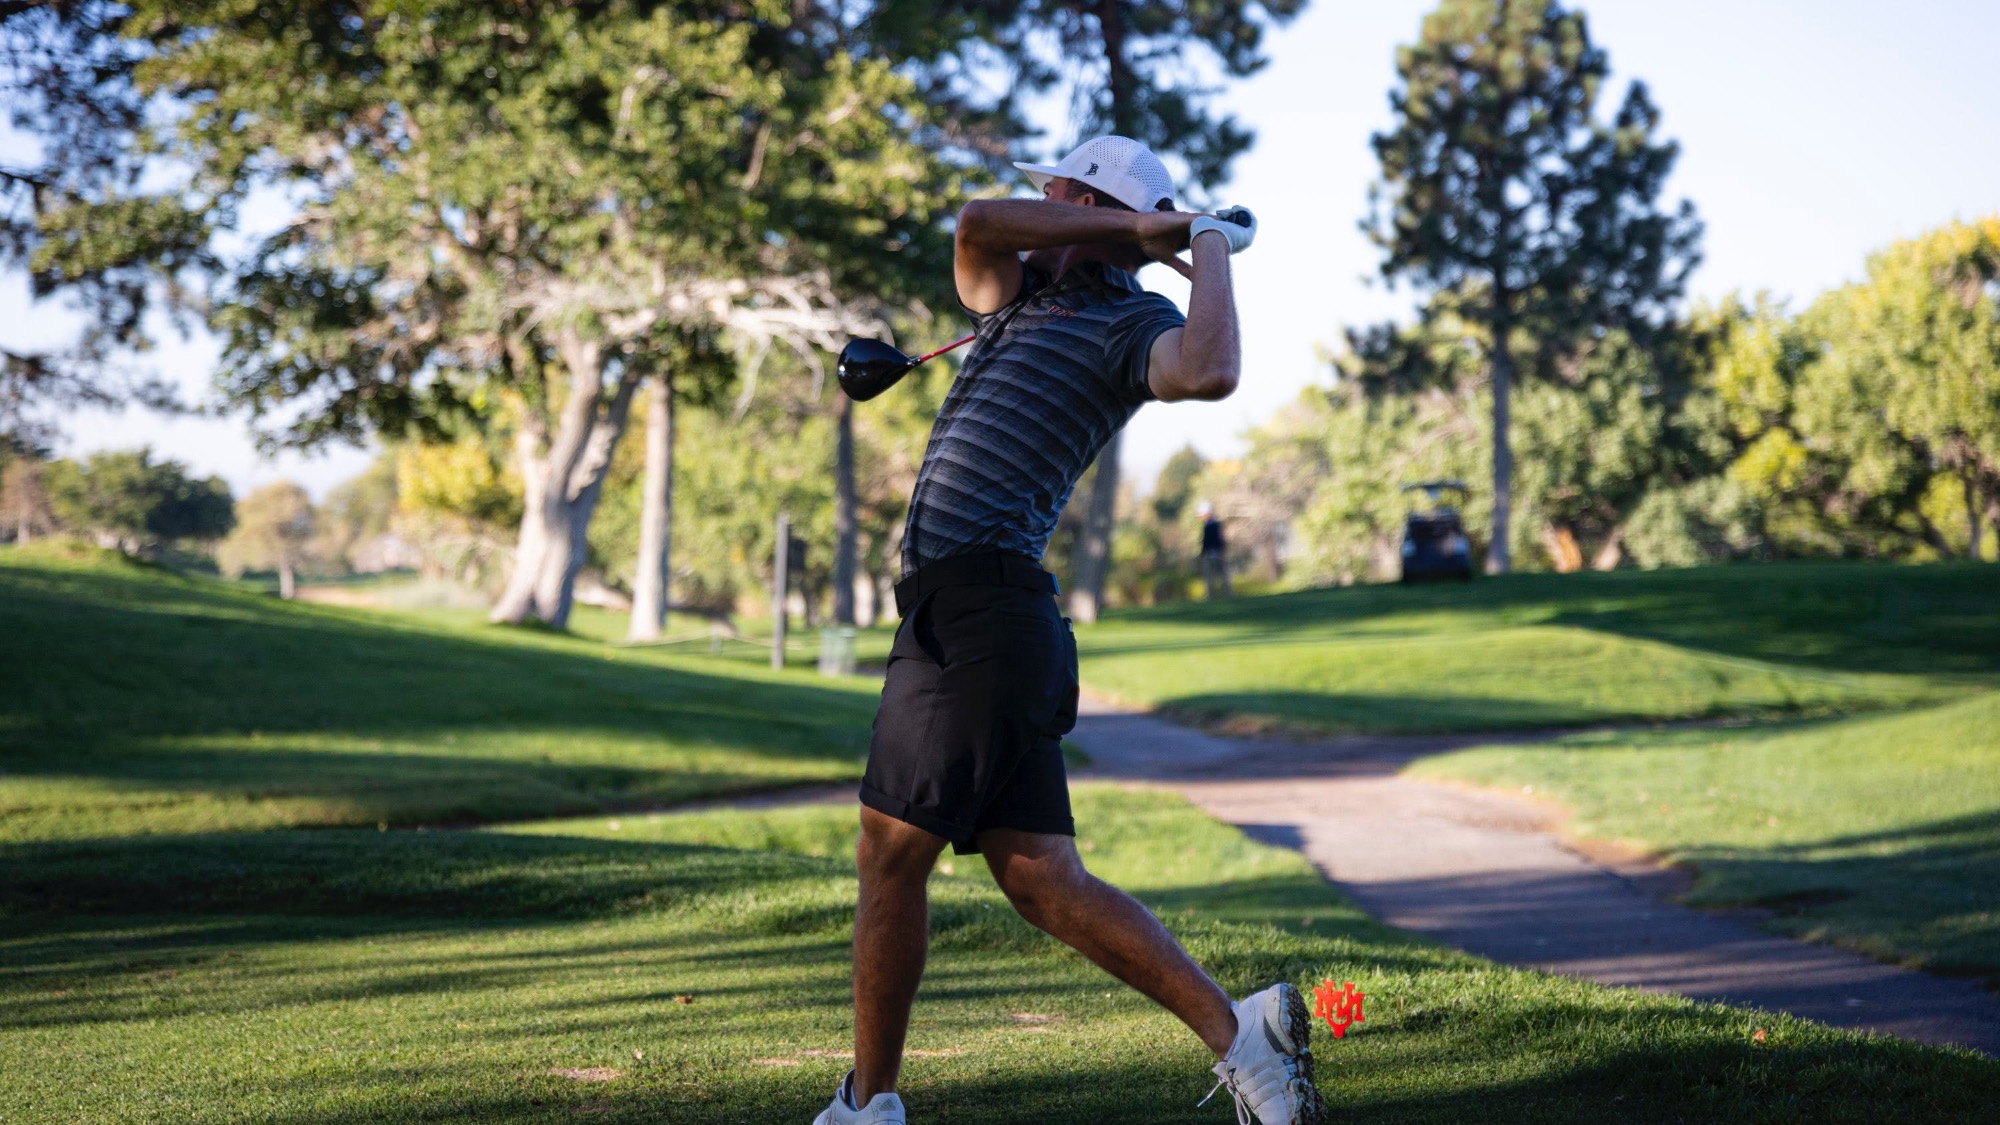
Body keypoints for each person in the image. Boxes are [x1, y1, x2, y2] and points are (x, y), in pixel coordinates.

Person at [817, 136, 1325, 1125]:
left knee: (888, 858)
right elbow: (977, 223)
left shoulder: (1128, 321)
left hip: (982, 618)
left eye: (1058, 188)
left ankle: (867, 1107)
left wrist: (1206, 245)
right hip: (967, 620)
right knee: (1043, 881)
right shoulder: (1010, 295)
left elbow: (1210, 371)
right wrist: (1141, 226)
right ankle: (1243, 1037)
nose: (1038, 198)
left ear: (1084, 203)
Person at [1198, 500, 1233, 599]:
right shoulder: (1211, 525)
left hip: (1214, 553)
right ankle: (1216, 595)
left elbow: (1211, 540)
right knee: (1216, 575)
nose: (1201, 517)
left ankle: (1222, 594)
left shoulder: (1212, 525)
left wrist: (1206, 552)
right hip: (1215, 552)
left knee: (1217, 575)